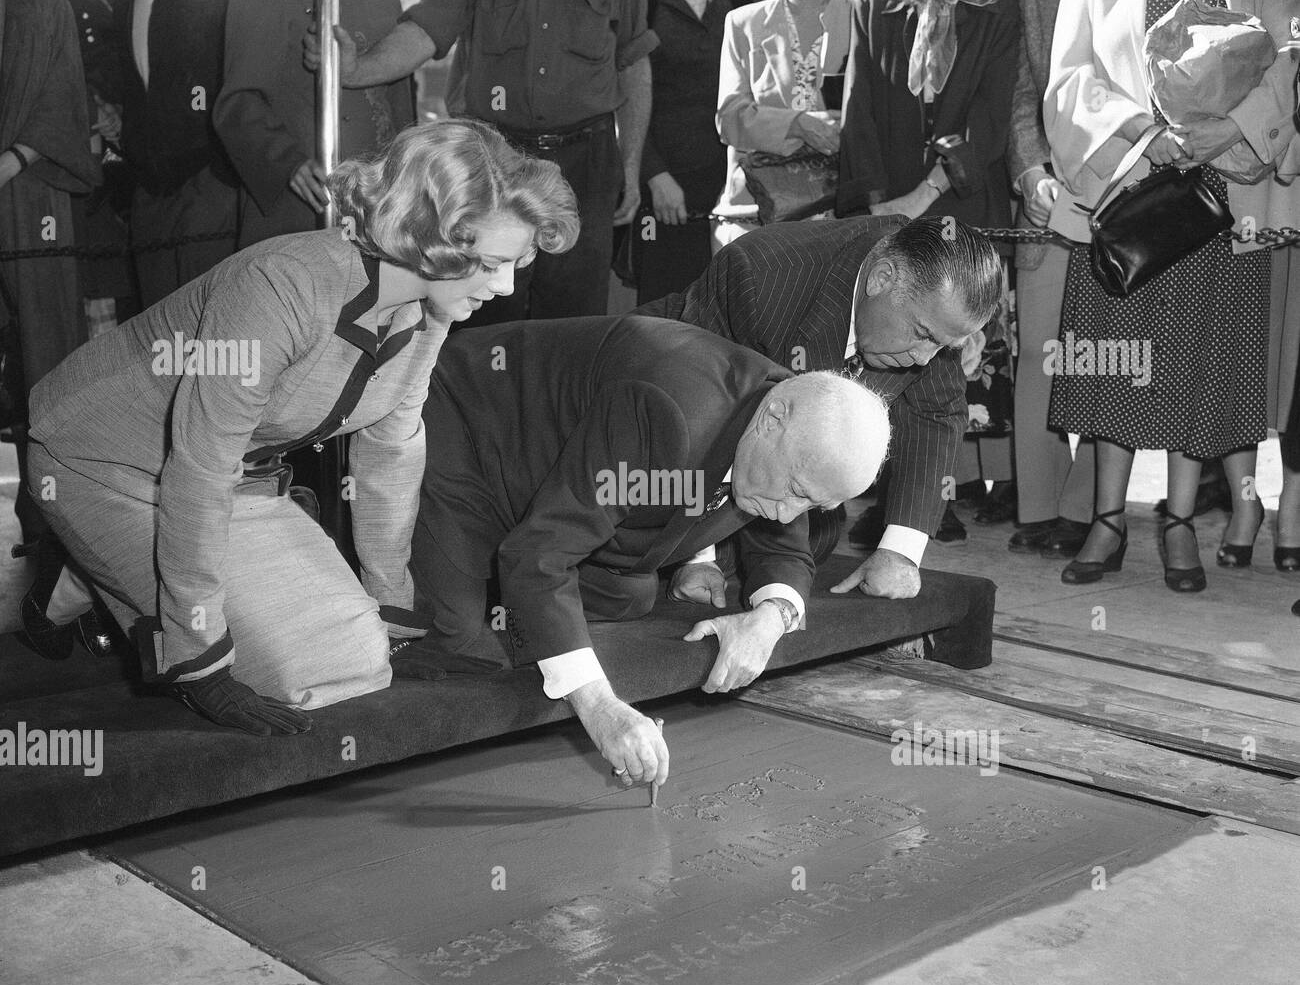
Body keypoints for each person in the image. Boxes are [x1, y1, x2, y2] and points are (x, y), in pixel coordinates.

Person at [20, 119, 578, 733]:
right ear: (435, 236)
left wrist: (390, 614)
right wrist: (197, 658)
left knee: (358, 659)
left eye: (516, 265)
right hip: (102, 463)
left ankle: (93, 568)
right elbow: (199, 469)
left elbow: (391, 453)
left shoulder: (428, 310)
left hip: (237, 478)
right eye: (495, 264)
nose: (505, 287)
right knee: (301, 675)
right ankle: (89, 555)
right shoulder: (279, 284)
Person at [399, 314, 890, 787]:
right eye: (798, 492)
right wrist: (599, 708)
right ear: (773, 419)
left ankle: (514, 593)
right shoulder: (667, 412)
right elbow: (541, 554)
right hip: (468, 419)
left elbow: (782, 546)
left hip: (562, 470)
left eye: (812, 504)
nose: (788, 514)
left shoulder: (789, 431)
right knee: (455, 644)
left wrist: (771, 618)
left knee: (629, 594)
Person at [1044, 0, 1300, 593]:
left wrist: (1230, 129)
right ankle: (1107, 520)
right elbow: (1069, 77)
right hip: (1128, 191)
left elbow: (1288, 63)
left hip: (1225, 196)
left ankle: (1178, 522)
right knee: (1116, 362)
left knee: (1199, 362)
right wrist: (1142, 131)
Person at [636, 214, 1001, 600]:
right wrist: (697, 556)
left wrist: (900, 551)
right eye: (924, 335)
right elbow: (697, 409)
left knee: (817, 532)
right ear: (881, 279)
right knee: (640, 553)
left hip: (766, 461)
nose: (927, 360)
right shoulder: (761, 275)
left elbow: (936, 413)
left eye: (943, 347)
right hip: (652, 414)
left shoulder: (934, 306)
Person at [305, 0, 657, 323]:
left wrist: (630, 164)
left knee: (573, 313)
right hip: (494, 162)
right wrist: (356, 70)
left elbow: (633, 61)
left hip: (585, 162)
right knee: (483, 305)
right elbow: (427, 32)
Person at [837, 0, 1021, 539]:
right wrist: (874, 205)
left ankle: (936, 499)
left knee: (949, 357)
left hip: (963, 206)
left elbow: (991, 120)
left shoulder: (998, 8)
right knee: (889, 355)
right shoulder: (875, 5)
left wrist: (922, 197)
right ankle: (894, 497)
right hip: (888, 202)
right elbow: (858, 108)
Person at [0, 0, 101, 549]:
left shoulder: (43, 5)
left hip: (32, 190)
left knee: (47, 358)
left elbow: (63, 106)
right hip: (22, 182)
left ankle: (56, 518)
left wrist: (11, 162)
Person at [216, 0, 415, 250]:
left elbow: (400, 112)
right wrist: (287, 162)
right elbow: (238, 103)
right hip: (298, 206)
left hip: (375, 205)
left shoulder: (385, 2)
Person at [1002, 0, 1091, 559]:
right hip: (1048, 198)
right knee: (1038, 352)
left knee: (1114, 353)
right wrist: (1031, 171)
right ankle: (1038, 505)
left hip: (1126, 191)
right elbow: (1021, 95)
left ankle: (1087, 509)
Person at [114, 0, 240, 306]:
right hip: (150, 186)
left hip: (207, 180)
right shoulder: (122, 5)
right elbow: (135, 92)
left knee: (210, 315)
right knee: (157, 320)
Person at [631, 0, 753, 304]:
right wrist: (654, 175)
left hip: (732, 182)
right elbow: (626, 94)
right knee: (665, 304)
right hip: (666, 185)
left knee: (728, 302)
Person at [713, 0, 852, 249]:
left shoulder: (863, 18)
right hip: (761, 212)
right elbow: (729, 118)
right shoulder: (743, 22)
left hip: (842, 212)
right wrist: (797, 124)